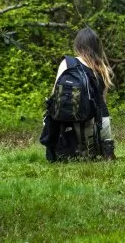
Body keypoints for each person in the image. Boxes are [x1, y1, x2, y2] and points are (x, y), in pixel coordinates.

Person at [41, 27, 117, 161]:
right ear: (97, 46)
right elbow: (103, 102)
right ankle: (104, 151)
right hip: (99, 128)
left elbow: (55, 95)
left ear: (78, 45)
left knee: (49, 113)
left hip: (70, 127)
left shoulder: (67, 64)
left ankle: (64, 150)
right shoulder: (104, 69)